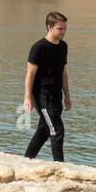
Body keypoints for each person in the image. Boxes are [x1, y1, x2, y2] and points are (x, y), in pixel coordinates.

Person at [23, 11, 70, 161]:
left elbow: (63, 71)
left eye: (64, 28)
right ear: (50, 27)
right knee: (56, 130)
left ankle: (27, 160)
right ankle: (60, 166)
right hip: (42, 96)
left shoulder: (63, 46)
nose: (63, 31)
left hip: (56, 96)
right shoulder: (39, 47)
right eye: (60, 28)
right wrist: (27, 97)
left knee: (44, 130)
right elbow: (30, 74)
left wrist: (67, 95)